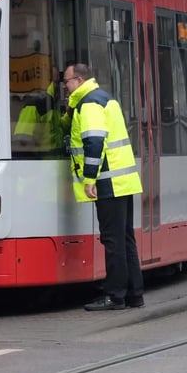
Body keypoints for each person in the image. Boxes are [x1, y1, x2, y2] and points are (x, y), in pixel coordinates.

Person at [61, 63, 144, 311]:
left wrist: (89, 179)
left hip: (107, 182)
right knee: (125, 239)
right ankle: (134, 294)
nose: (65, 87)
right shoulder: (105, 98)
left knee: (113, 241)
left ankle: (115, 295)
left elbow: (94, 142)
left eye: (66, 81)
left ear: (78, 80)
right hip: (122, 181)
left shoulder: (89, 103)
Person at [13, 67, 62, 153]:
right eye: (56, 82)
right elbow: (22, 141)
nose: (62, 86)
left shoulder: (55, 105)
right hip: (41, 158)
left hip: (54, 158)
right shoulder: (35, 105)